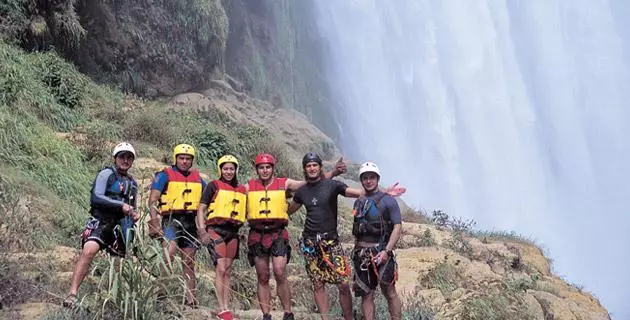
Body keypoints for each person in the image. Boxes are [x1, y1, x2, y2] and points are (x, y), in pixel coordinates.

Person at [287, 153, 405, 320]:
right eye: (308, 166)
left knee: (350, 284)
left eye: (315, 165)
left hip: (338, 243)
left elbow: (357, 192)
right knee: (324, 285)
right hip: (314, 244)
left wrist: (384, 192)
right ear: (305, 169)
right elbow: (289, 210)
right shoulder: (302, 191)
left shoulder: (333, 186)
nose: (312, 168)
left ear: (320, 167)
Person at [246, 153, 346, 320]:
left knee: (279, 271)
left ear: (273, 168)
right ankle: (266, 315)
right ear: (257, 170)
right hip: (257, 234)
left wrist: (333, 173)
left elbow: (311, 183)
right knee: (262, 276)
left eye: (267, 167)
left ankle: (288, 312)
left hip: (277, 232)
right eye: (261, 168)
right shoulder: (249, 187)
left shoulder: (285, 183)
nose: (264, 170)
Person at [63, 142, 139, 308]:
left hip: (121, 227)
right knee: (88, 251)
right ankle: (72, 294)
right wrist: (120, 206)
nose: (125, 160)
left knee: (117, 265)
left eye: (129, 157)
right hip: (102, 221)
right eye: (122, 157)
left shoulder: (133, 183)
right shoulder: (106, 174)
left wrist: (134, 214)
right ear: (115, 158)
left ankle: (111, 300)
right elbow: (97, 197)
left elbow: (133, 205)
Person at [148, 143, 206, 307]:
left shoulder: (197, 178)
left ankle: (191, 300)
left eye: (188, 159)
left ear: (192, 161)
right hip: (171, 220)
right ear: (176, 158)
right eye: (181, 158)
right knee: (168, 256)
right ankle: (161, 296)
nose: (185, 161)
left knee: (189, 261)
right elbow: (152, 200)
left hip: (190, 223)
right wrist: (154, 223)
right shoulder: (164, 175)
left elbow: (208, 197)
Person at [196, 155, 247, 320]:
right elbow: (201, 209)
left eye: (232, 168)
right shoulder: (213, 186)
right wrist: (202, 230)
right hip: (216, 229)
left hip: (232, 232)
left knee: (228, 270)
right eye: (225, 168)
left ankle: (226, 306)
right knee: (221, 268)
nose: (229, 172)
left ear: (236, 170)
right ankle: (221, 307)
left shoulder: (241, 189)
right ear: (220, 169)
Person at [350, 162, 402, 320]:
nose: (368, 181)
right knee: (366, 293)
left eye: (372, 177)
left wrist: (387, 251)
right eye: (365, 178)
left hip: (381, 252)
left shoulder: (389, 201)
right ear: (361, 180)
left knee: (389, 291)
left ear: (377, 179)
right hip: (362, 254)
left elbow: (397, 227)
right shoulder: (358, 202)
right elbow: (357, 232)